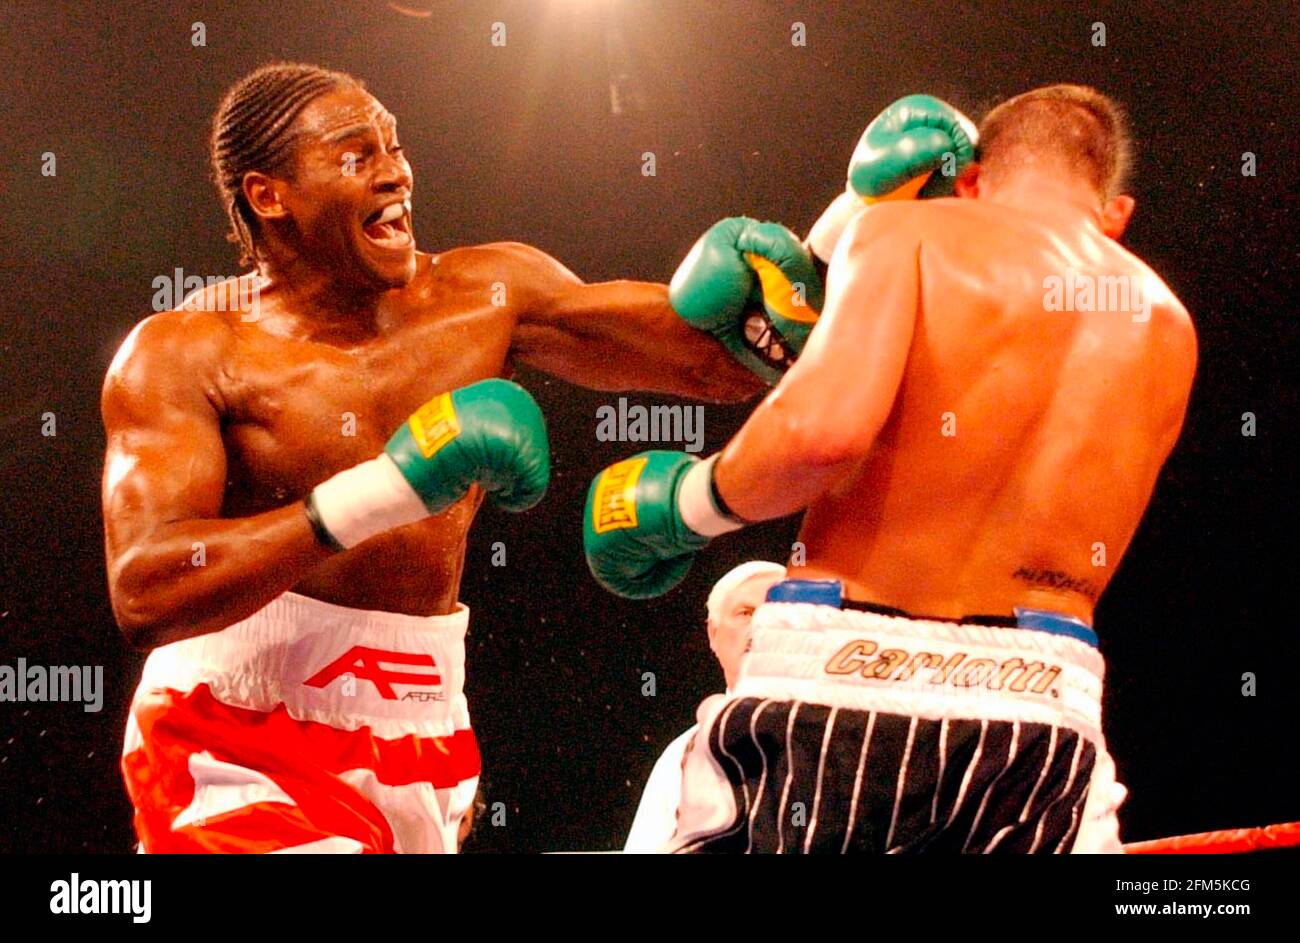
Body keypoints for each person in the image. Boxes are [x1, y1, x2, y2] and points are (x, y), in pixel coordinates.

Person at [104, 61, 786, 854]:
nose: (393, 171)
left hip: (425, 721)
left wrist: (811, 278)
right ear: (269, 195)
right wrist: (383, 491)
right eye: (356, 154)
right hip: (235, 728)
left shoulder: (486, 295)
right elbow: (146, 589)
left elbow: (717, 365)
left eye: (394, 146)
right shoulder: (186, 352)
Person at [585, 84, 1195, 853]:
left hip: (852, 676)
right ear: (1117, 216)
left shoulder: (909, 232)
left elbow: (822, 433)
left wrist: (691, 502)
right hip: (1047, 706)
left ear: (969, 181)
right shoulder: (1168, 324)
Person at [624, 561, 785, 853]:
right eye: (746, 613)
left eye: (777, 613)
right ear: (713, 634)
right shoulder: (682, 754)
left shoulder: (843, 735)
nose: (761, 626)